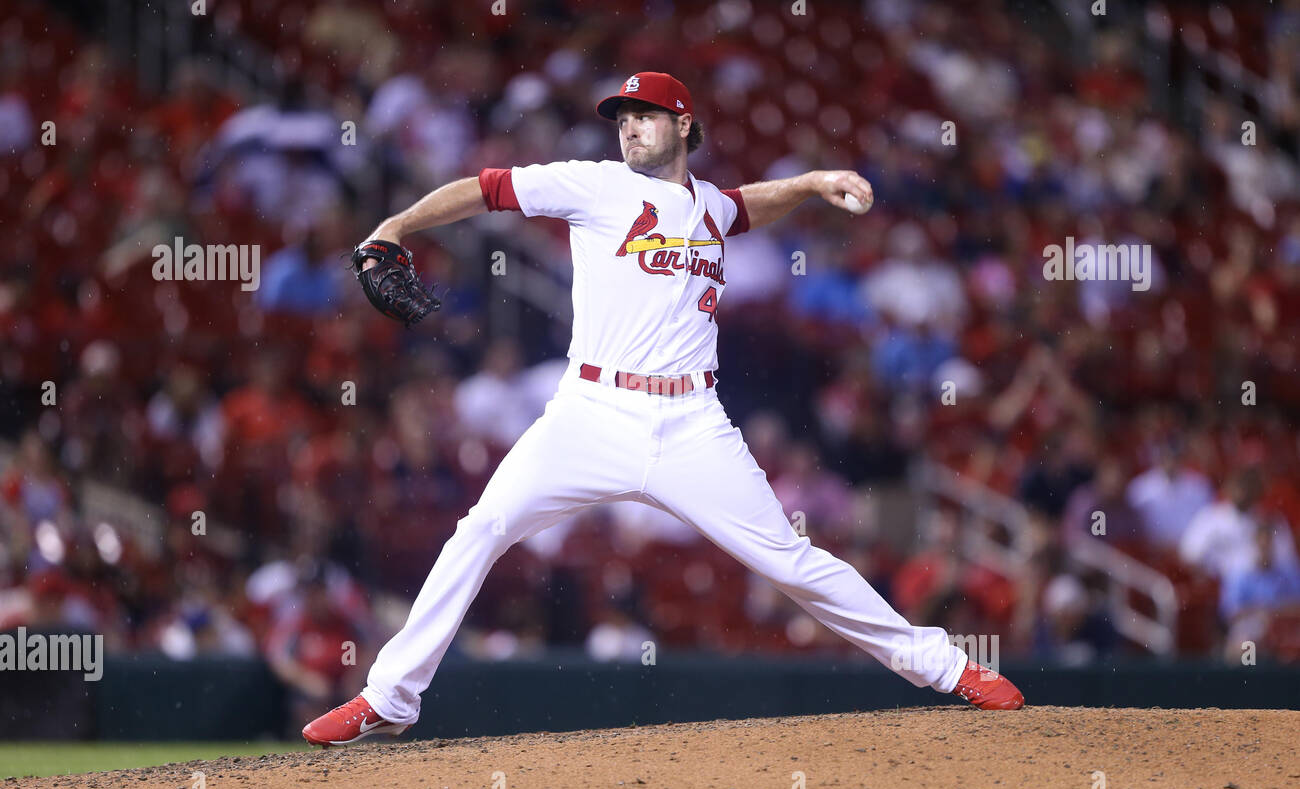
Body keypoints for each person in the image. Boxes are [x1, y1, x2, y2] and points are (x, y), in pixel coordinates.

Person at [303, 72, 1023, 747]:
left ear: (683, 122)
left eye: (644, 115)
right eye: (622, 117)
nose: (629, 127)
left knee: (791, 561)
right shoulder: (589, 185)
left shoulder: (708, 204)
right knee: (482, 528)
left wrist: (808, 183)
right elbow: (481, 190)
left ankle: (946, 667)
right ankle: (392, 695)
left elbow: (744, 206)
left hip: (691, 425)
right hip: (589, 411)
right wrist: (395, 224)